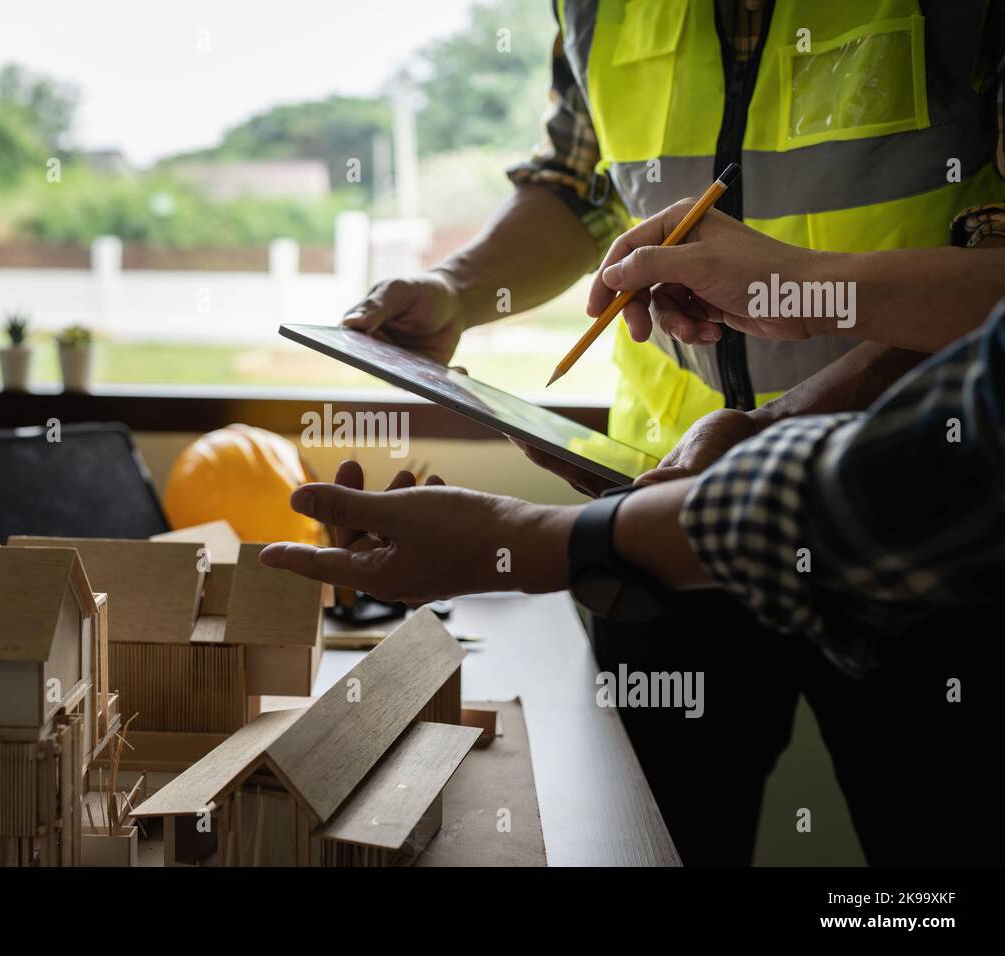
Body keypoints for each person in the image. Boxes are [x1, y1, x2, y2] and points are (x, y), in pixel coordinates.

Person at [335, 1, 1005, 864]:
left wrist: (777, 407)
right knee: (651, 843)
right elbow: (578, 186)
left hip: (921, 499)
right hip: (655, 497)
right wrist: (459, 289)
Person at [262, 296, 1005, 865]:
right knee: (658, 836)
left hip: (926, 581)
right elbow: (567, 181)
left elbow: (916, 471)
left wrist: (534, 541)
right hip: (654, 518)